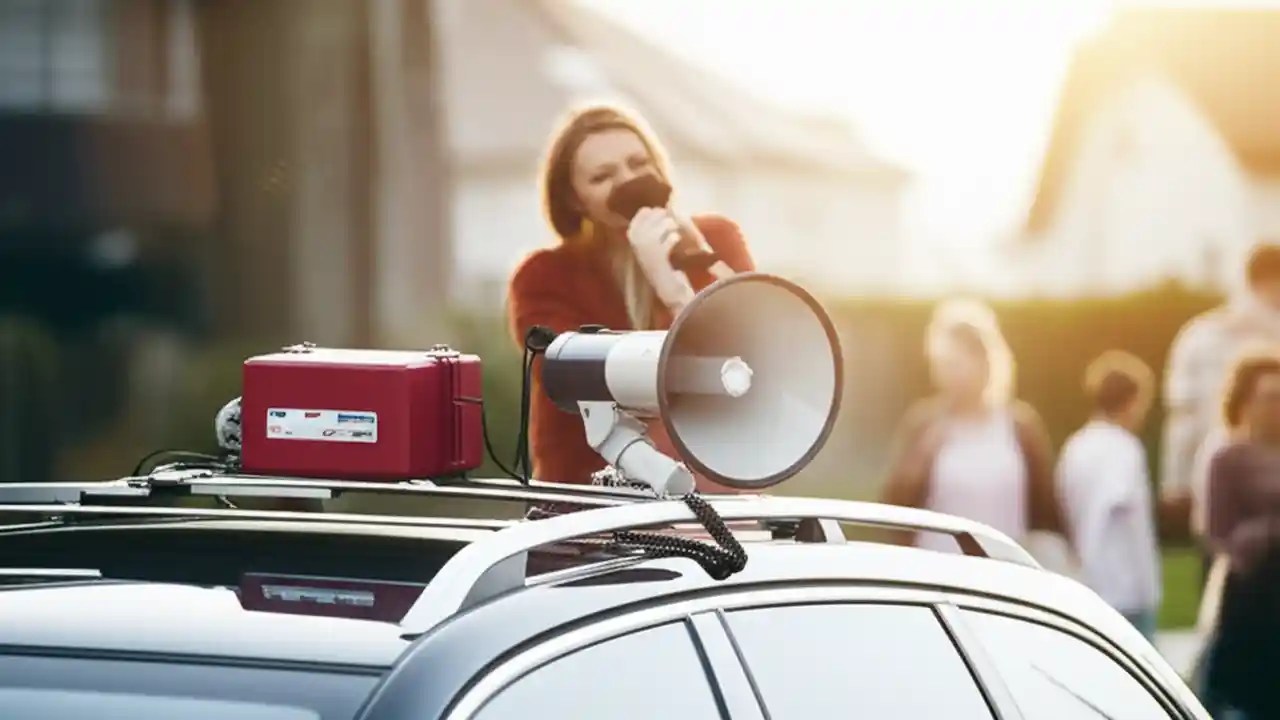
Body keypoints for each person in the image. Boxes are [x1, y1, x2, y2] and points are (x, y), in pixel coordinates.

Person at [506, 104, 755, 488]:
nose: (628, 182)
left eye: (639, 164)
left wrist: (675, 289)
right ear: (574, 199)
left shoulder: (716, 240)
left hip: (715, 488)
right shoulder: (544, 276)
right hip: (589, 499)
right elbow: (569, 375)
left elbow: (748, 364)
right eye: (603, 176)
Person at [881, 299, 1069, 559]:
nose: (953, 375)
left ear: (985, 361)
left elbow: (1047, 514)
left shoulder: (1020, 427)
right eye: (945, 364)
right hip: (937, 573)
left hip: (1007, 575)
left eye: (959, 363)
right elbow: (893, 507)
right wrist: (922, 457)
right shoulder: (923, 424)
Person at [1163, 243, 1280, 548]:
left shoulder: (1197, 334)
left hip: (1210, 472)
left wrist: (1174, 480)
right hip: (1261, 475)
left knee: (1218, 556)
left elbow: (1182, 418)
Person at [1056, 351, 1161, 640]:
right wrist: (1146, 589)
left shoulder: (1075, 446)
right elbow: (1117, 508)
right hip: (1125, 591)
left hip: (1085, 582)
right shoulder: (1125, 448)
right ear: (1133, 401)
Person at [1199, 351, 1280, 719]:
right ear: (1245, 402)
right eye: (1269, 397)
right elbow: (1217, 534)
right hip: (1253, 602)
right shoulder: (1228, 458)